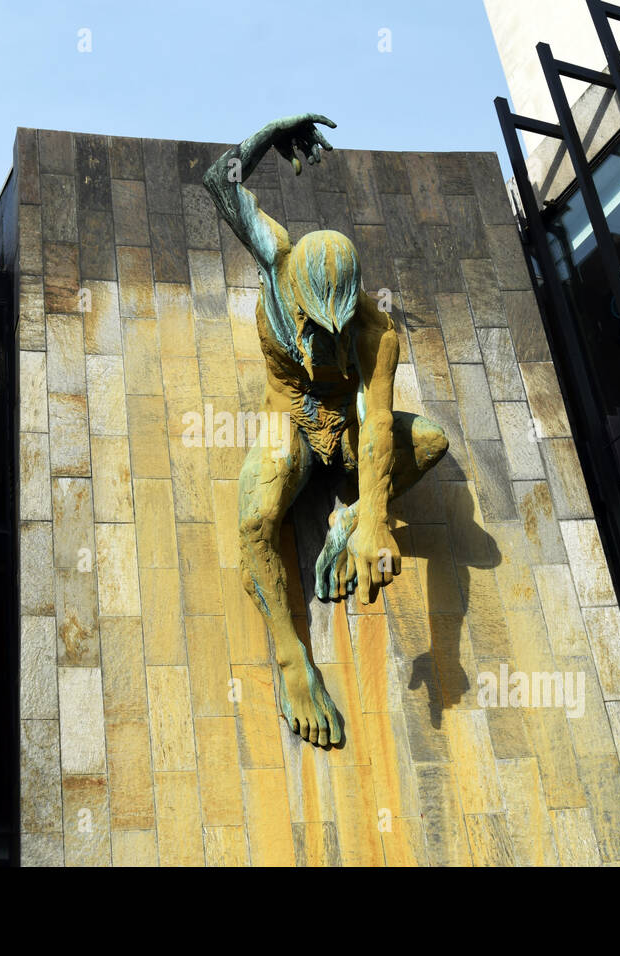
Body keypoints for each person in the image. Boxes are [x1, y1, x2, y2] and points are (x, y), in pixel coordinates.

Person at [204, 114, 449, 747]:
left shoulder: (376, 334)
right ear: (297, 300)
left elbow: (374, 426)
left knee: (429, 442)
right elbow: (219, 181)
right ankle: (292, 661)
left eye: (338, 333)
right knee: (258, 517)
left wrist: (370, 522)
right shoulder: (275, 256)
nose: (328, 347)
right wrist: (271, 134)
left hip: (345, 432)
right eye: (317, 331)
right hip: (292, 419)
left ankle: (343, 522)